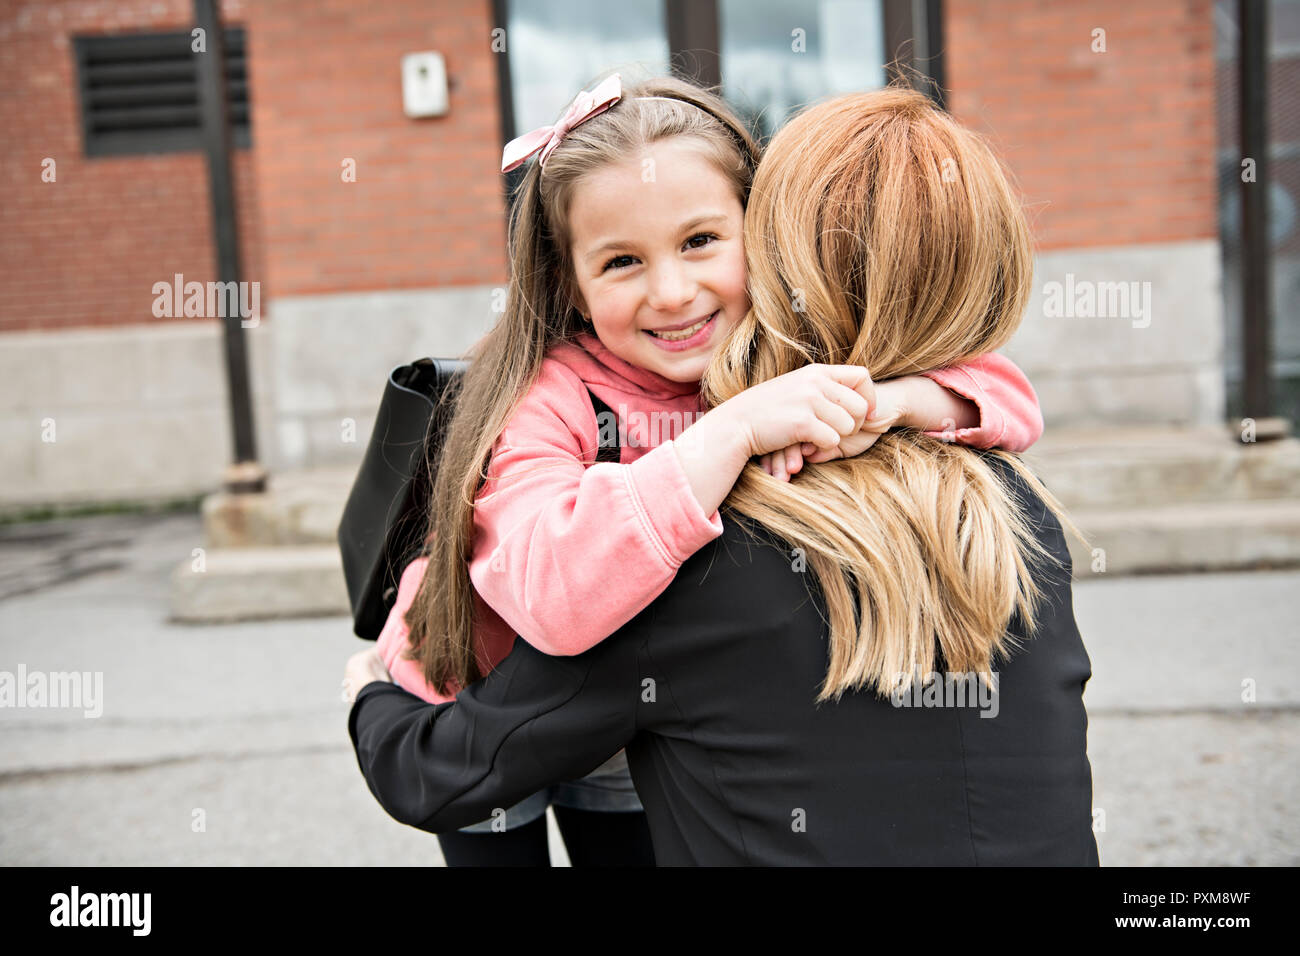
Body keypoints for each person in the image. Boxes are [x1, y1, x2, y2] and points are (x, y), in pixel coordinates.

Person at [364, 74, 1053, 866]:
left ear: (757, 235)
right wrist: (723, 437)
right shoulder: (549, 397)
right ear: (572, 287)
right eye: (622, 261)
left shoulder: (779, 354)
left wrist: (891, 402)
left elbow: (1005, 397)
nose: (672, 291)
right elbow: (549, 591)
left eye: (700, 241)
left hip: (624, 705)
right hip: (477, 691)